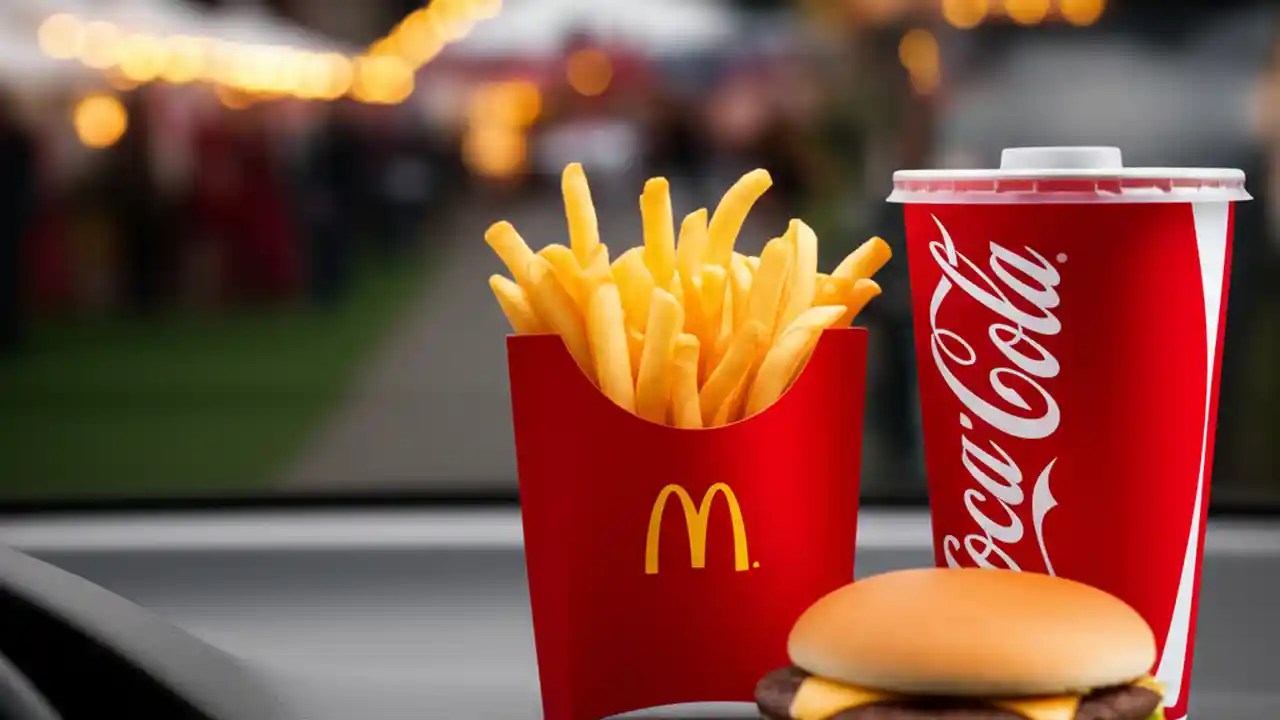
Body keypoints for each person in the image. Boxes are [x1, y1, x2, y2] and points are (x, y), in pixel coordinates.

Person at [0, 100, 37, 352]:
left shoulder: (17, 141)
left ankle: (10, 329)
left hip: (9, 218)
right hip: (11, 215)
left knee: (10, 274)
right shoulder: (17, 140)